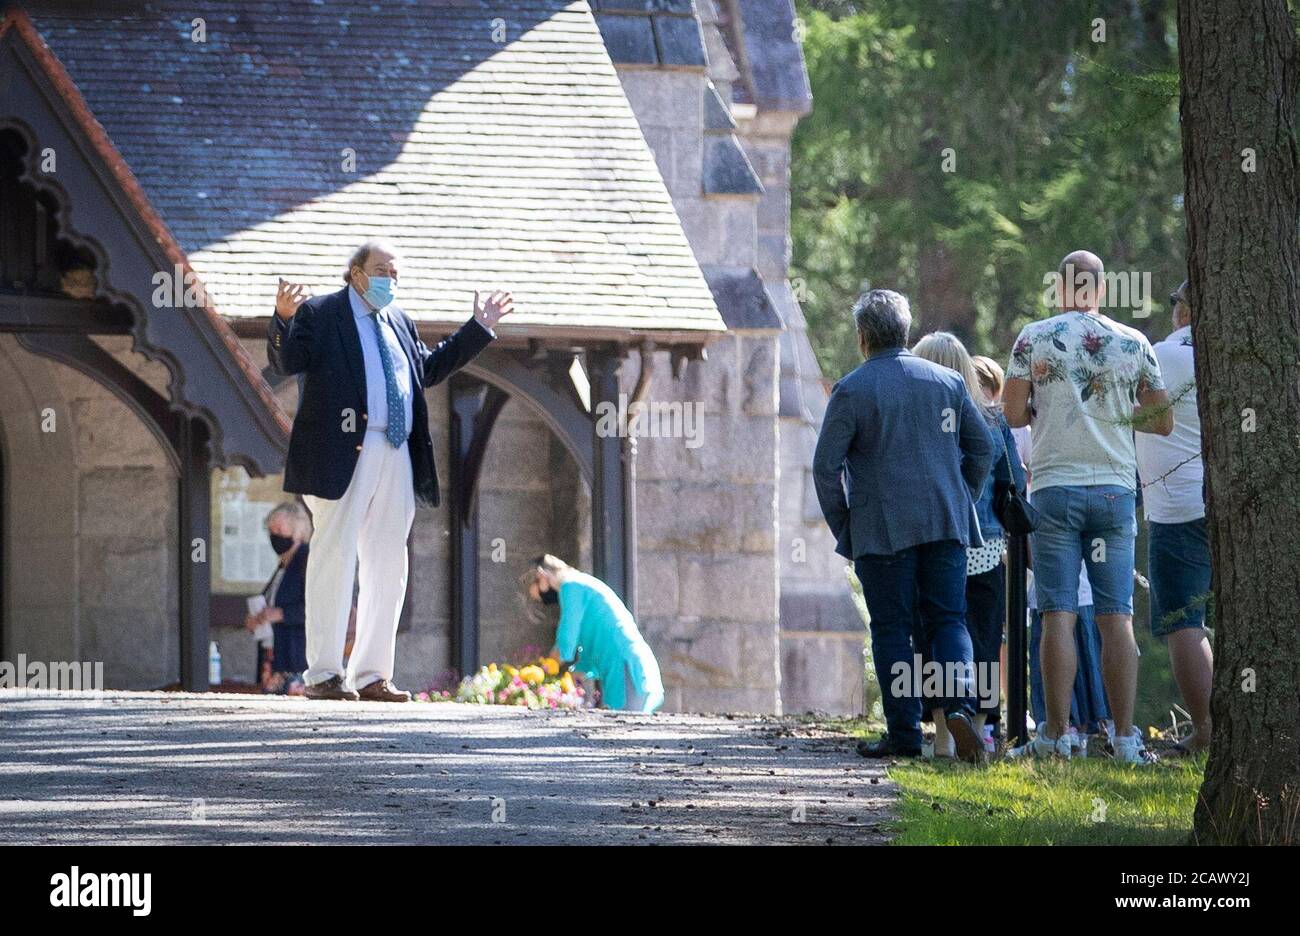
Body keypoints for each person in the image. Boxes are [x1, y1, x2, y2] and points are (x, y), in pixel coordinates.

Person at [269, 241, 514, 701]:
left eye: (396, 273)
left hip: (395, 450)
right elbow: (287, 361)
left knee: (388, 562)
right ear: (355, 273)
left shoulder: (398, 320)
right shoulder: (322, 313)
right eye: (382, 270)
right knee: (334, 557)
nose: (390, 281)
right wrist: (283, 318)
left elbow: (427, 369)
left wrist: (479, 327)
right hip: (342, 452)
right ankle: (324, 674)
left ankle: (372, 675)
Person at [1003, 250, 1172, 762]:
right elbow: (1161, 420)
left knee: (1057, 614)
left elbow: (1011, 413)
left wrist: (1041, 409)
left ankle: (1056, 736)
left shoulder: (1034, 337)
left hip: (1054, 488)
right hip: (1114, 491)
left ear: (1061, 288)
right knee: (1115, 615)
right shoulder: (1133, 341)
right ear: (1101, 289)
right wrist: (1119, 419)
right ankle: (1123, 739)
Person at [813, 289, 995, 763]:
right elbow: (984, 449)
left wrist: (845, 527)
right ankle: (959, 705)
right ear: (906, 332)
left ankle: (904, 735)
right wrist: (962, 497)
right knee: (948, 620)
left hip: (881, 530)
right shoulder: (949, 382)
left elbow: (824, 467)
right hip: (944, 524)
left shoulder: (852, 389)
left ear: (862, 337)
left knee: (893, 629)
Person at [911, 334, 1026, 758]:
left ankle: (942, 736)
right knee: (983, 639)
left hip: (934, 544)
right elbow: (1013, 479)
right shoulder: (993, 421)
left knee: (935, 636)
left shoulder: (920, 420)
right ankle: (977, 725)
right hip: (986, 547)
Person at [1134, 279, 1213, 754]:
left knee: (1185, 623)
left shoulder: (1158, 354)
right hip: (1231, 503)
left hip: (1176, 509)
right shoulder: (1236, 353)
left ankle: (1206, 732)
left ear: (1184, 309)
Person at [523, 555, 664, 713]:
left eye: (537, 597)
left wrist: (545, 671)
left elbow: (567, 637)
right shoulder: (580, 584)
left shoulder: (571, 585)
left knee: (625, 730)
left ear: (541, 576)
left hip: (625, 669)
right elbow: (590, 643)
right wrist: (578, 672)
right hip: (628, 668)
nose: (541, 601)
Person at [1025, 563, 1112, 756]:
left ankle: (1062, 732)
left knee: (1055, 658)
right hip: (1085, 595)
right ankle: (1075, 734)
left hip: (1054, 598)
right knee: (1085, 663)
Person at [245, 502, 312, 694]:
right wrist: (257, 618)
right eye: (271, 531)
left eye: (280, 530)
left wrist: (281, 614)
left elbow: (317, 610)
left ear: (298, 532)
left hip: (295, 658)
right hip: (274, 655)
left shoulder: (305, 560)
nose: (275, 536)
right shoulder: (283, 565)